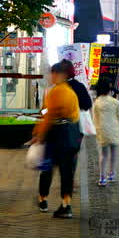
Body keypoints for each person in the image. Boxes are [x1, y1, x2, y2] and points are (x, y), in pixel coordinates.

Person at [33, 60, 85, 219]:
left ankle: (43, 200)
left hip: (56, 135)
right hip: (71, 135)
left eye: (52, 74)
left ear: (58, 75)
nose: (50, 77)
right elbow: (74, 114)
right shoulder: (70, 92)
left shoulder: (55, 92)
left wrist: (39, 134)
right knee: (66, 172)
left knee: (47, 168)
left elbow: (48, 115)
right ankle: (66, 205)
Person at [93, 80, 119, 186]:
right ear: (109, 90)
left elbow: (95, 119)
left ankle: (102, 178)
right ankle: (112, 174)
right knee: (114, 154)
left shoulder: (97, 102)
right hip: (115, 130)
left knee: (104, 155)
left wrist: (97, 131)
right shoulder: (115, 102)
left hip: (103, 131)